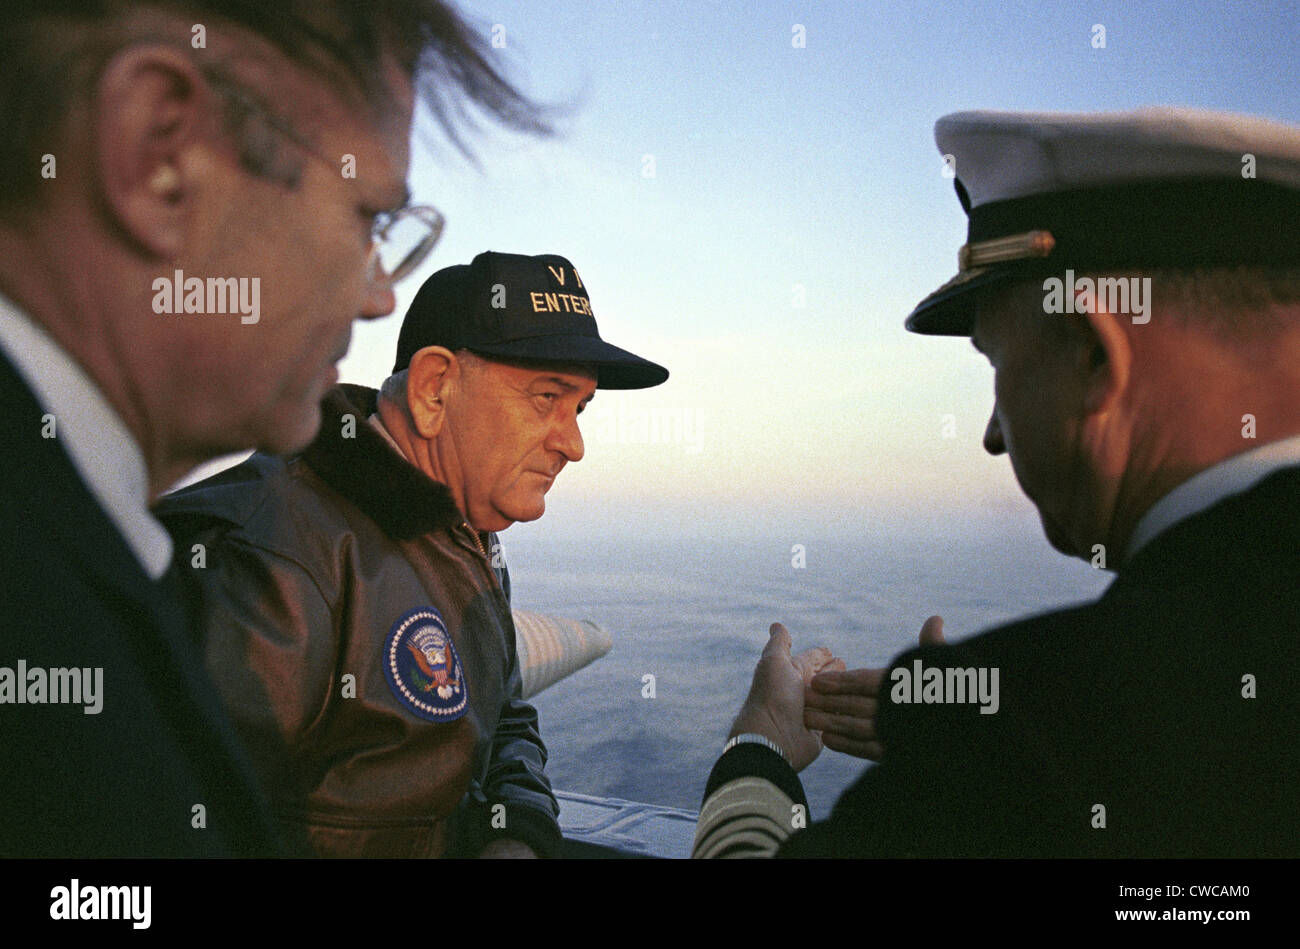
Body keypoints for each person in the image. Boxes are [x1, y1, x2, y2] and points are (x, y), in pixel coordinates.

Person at [0, 1, 547, 857]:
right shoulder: (48, 596)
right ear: (160, 158)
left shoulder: (75, 550)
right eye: (368, 216)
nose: (377, 297)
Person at [693, 107, 1300, 859]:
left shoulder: (1028, 743)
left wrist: (762, 748)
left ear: (1090, 353)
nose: (990, 433)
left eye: (996, 362)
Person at [158, 251, 669, 858]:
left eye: (579, 409)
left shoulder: (464, 533)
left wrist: (514, 833)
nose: (574, 444)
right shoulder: (266, 559)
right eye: (546, 398)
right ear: (433, 389)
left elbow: (502, 709)